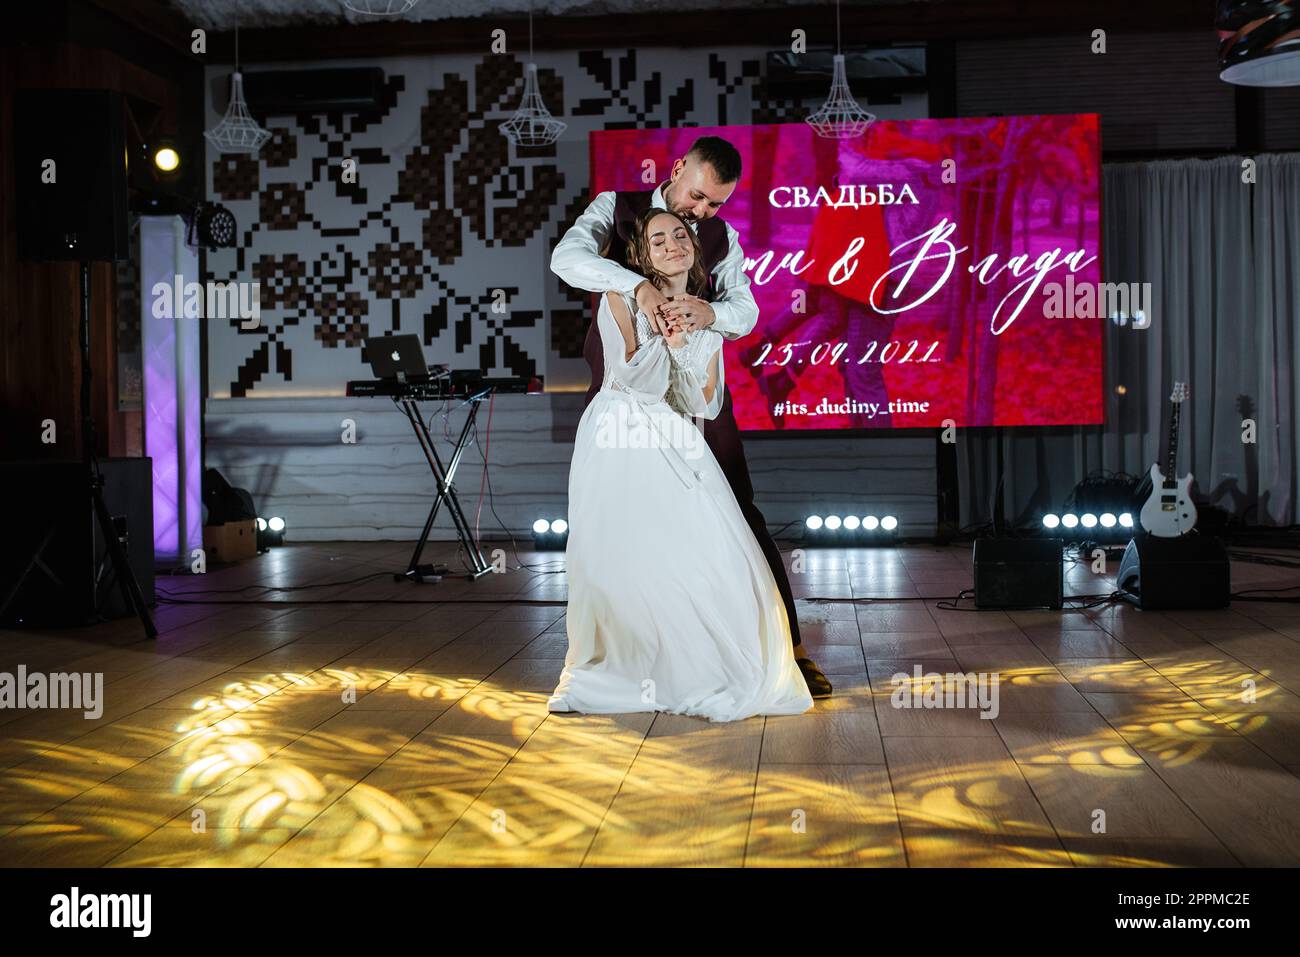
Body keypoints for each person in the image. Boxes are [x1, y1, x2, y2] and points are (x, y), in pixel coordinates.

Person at [551, 134, 832, 699]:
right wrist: (639, 289)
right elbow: (567, 259)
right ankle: (637, 655)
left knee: (735, 510)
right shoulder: (616, 208)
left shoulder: (719, 238)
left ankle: (788, 650)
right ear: (678, 169)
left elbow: (745, 309)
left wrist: (708, 310)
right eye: (698, 197)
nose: (701, 213)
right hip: (626, 390)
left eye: (714, 206)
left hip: (696, 394)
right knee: (621, 523)